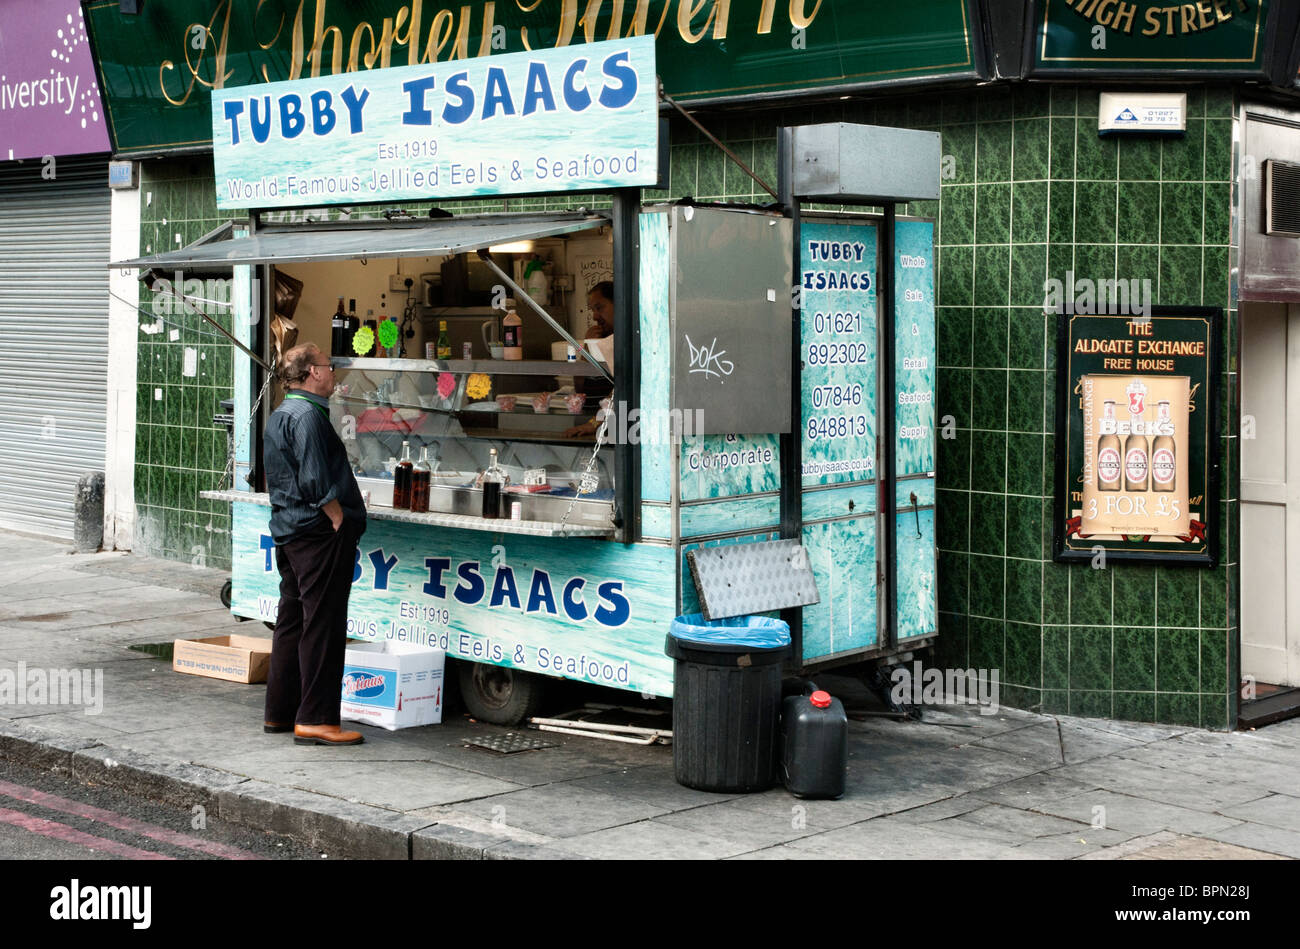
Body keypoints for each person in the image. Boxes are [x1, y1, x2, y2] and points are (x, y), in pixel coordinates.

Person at [262, 342, 368, 746]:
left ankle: (280, 712)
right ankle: (316, 718)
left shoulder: (281, 413)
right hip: (317, 534)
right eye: (328, 365)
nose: (334, 371)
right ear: (311, 373)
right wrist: (337, 517)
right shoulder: (307, 416)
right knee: (322, 625)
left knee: (292, 621)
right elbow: (314, 480)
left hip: (290, 530)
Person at [564, 281, 615, 438]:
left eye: (600, 308)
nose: (595, 316)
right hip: (590, 425)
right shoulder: (595, 341)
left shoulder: (626, 342)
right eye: (592, 310)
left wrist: (593, 423)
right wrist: (586, 349)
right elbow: (580, 388)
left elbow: (619, 391)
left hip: (613, 429)